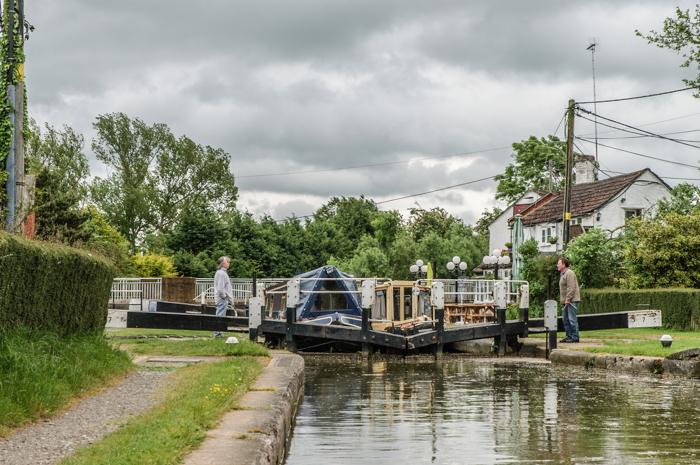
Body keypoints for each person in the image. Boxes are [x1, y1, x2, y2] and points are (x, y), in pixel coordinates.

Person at [557, 256, 580, 343]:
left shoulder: (569, 273)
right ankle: (569, 336)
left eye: (558, 264)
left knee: (571, 319)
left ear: (563, 264)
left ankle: (575, 337)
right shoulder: (562, 274)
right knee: (565, 319)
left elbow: (572, 287)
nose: (557, 265)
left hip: (571, 301)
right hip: (565, 301)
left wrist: (568, 299)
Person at [213, 256, 234, 337]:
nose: (229, 263)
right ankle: (217, 334)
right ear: (223, 263)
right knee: (220, 316)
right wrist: (225, 297)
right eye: (227, 262)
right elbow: (221, 288)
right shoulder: (221, 273)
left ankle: (219, 333)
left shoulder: (221, 273)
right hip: (222, 299)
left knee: (221, 315)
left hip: (222, 298)